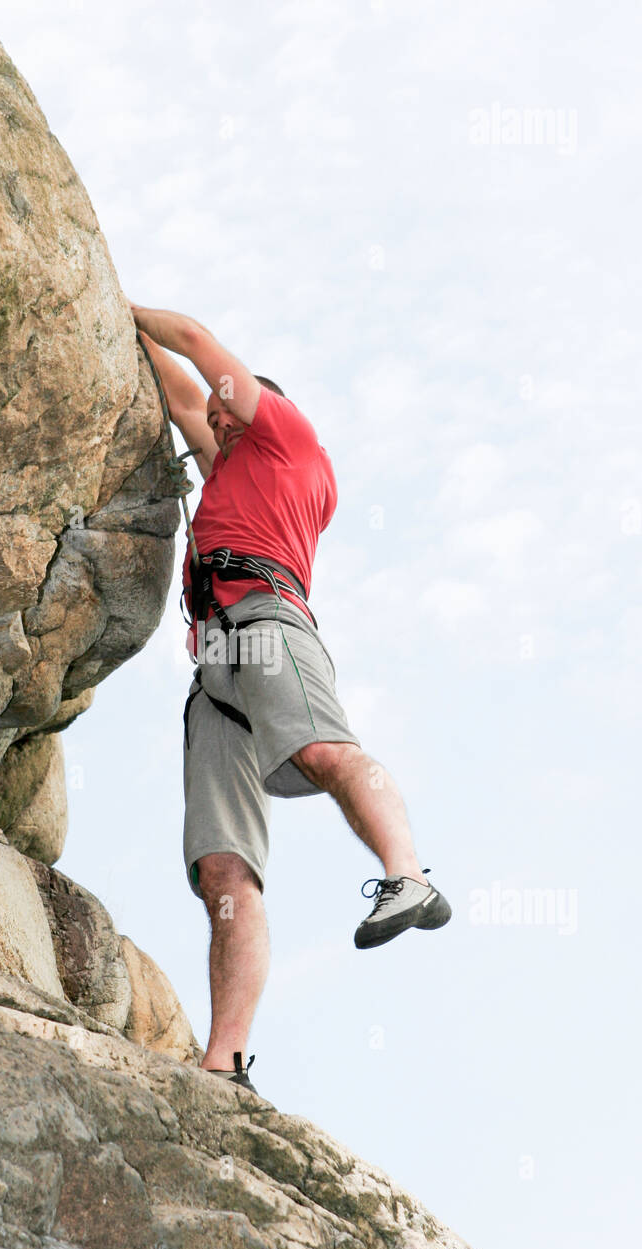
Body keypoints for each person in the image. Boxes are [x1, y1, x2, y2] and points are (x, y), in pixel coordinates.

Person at [130, 304, 451, 1095]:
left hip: (270, 623)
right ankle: (225, 1062)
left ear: (254, 406)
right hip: (216, 669)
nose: (213, 427)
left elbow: (200, 350)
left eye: (225, 415)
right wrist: (111, 318)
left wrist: (128, 299)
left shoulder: (287, 439)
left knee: (322, 750)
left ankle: (408, 872)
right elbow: (179, 395)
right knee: (224, 873)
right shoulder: (232, 463)